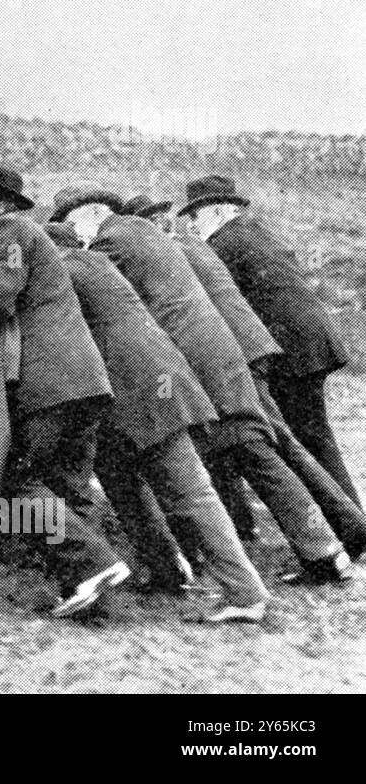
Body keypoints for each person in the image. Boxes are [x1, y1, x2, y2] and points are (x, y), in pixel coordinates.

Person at [56, 186, 354, 586]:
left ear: (93, 213)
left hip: (196, 358)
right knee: (256, 450)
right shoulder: (149, 236)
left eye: (73, 224)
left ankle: (308, 550)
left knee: (248, 452)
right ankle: (325, 545)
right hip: (220, 350)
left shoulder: (113, 240)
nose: (75, 235)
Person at [44, 219, 270, 623]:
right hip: (153, 383)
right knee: (121, 478)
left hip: (142, 392)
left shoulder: (64, 272)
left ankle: (244, 592)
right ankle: (166, 568)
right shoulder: (95, 263)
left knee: (191, 494)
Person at [0, 165, 129, 617]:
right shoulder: (21, 233)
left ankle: (93, 565)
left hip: (50, 383)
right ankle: (93, 582)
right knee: (65, 481)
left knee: (8, 480)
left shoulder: (5, 232)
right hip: (80, 380)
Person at [179, 175, 360, 510]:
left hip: (291, 351)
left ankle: (351, 525)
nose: (192, 223)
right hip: (315, 341)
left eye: (196, 215)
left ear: (217, 212)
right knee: (313, 436)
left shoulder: (221, 246)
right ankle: (346, 519)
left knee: (308, 440)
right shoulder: (258, 232)